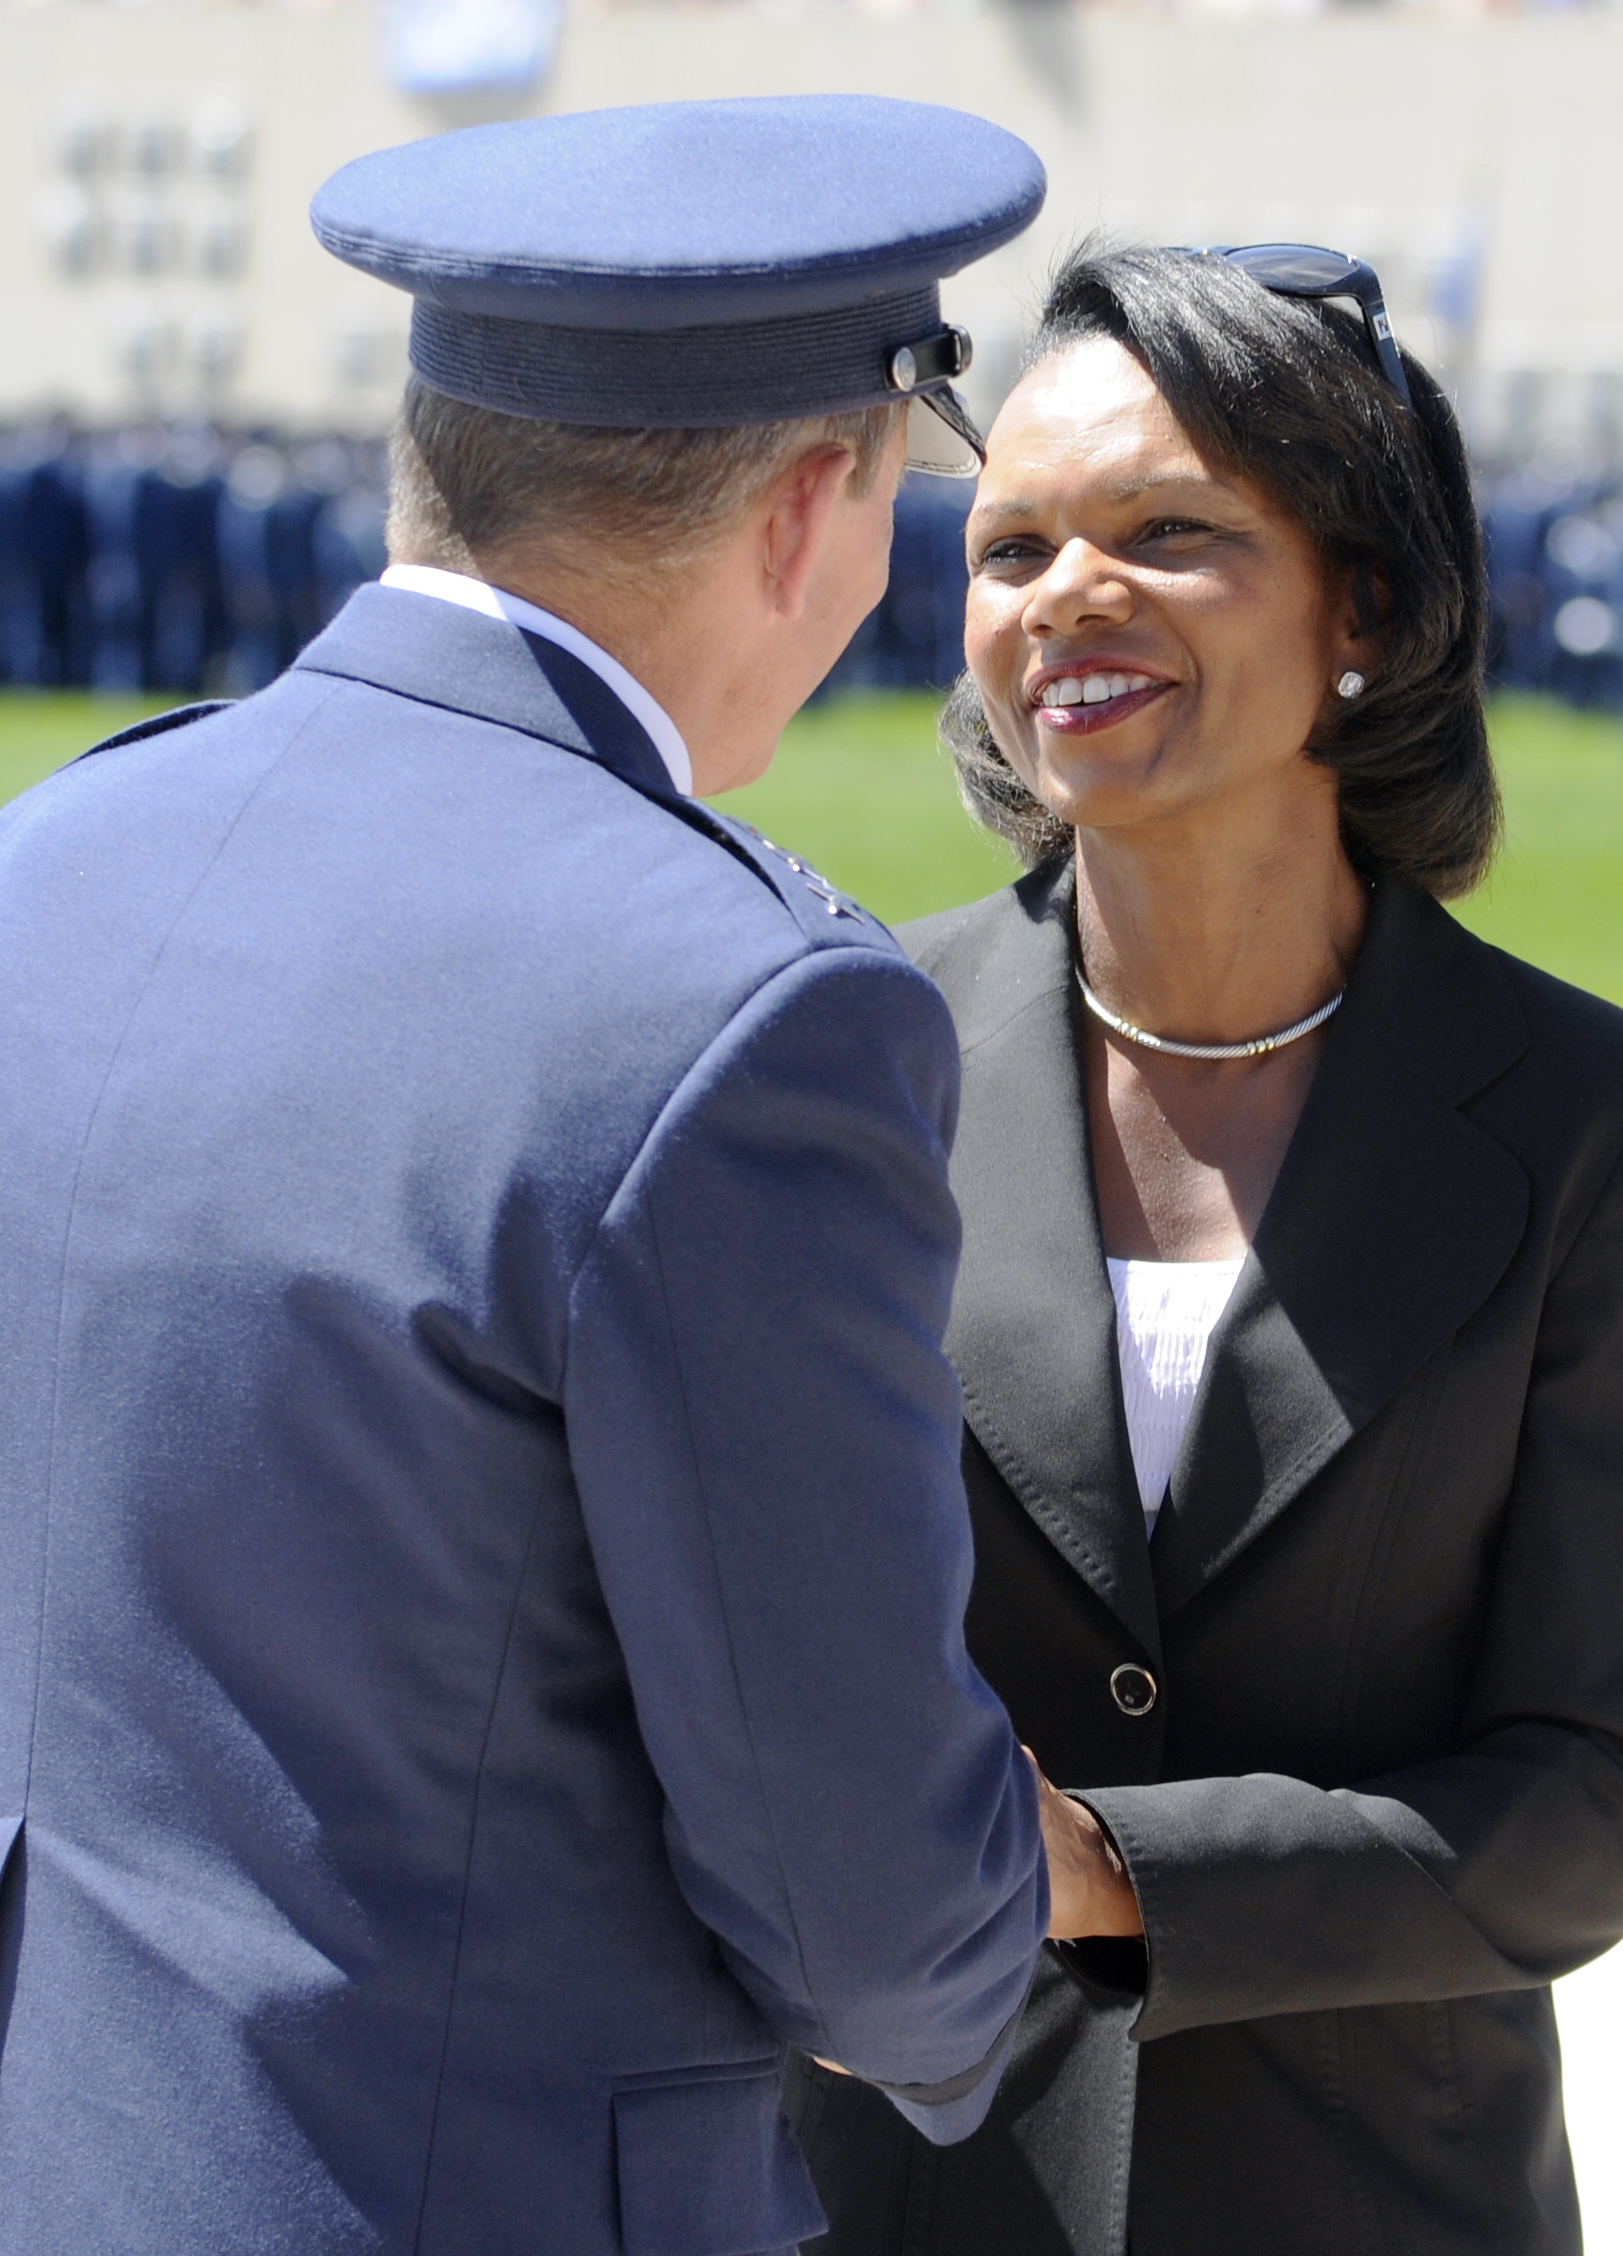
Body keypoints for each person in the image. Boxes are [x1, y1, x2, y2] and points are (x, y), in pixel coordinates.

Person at [0, 98, 1061, 2256]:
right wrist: (1045, 1927)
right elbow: (855, 1898)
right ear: (801, 509)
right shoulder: (742, 1008)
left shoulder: (59, 857)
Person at [787, 244, 1623, 2256]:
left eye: (1167, 534)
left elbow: (1598, 1799)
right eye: (1010, 546)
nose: (1065, 599)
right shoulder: (831, 1063)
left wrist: (1111, 1870)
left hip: (1381, 2199)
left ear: (1366, 607)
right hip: (898, 2199)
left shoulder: (1599, 1124)